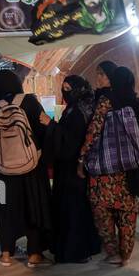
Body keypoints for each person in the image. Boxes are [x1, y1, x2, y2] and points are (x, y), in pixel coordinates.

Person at [80, 65, 139, 267]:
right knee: (128, 214)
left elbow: (94, 131)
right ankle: (126, 254)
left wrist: (82, 157)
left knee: (102, 212)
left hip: (105, 169)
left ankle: (112, 252)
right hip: (130, 169)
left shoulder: (106, 101)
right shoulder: (138, 104)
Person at [0, 69, 52, 268]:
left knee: (5, 208)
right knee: (33, 206)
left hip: (1, 171)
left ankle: (6, 253)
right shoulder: (30, 102)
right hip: (30, 167)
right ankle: (34, 254)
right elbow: (43, 129)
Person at [44, 74, 103, 263]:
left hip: (73, 169)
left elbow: (71, 141)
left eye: (68, 89)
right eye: (64, 88)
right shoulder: (78, 107)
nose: (65, 92)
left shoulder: (77, 111)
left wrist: (50, 124)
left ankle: (75, 252)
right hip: (71, 169)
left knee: (73, 210)